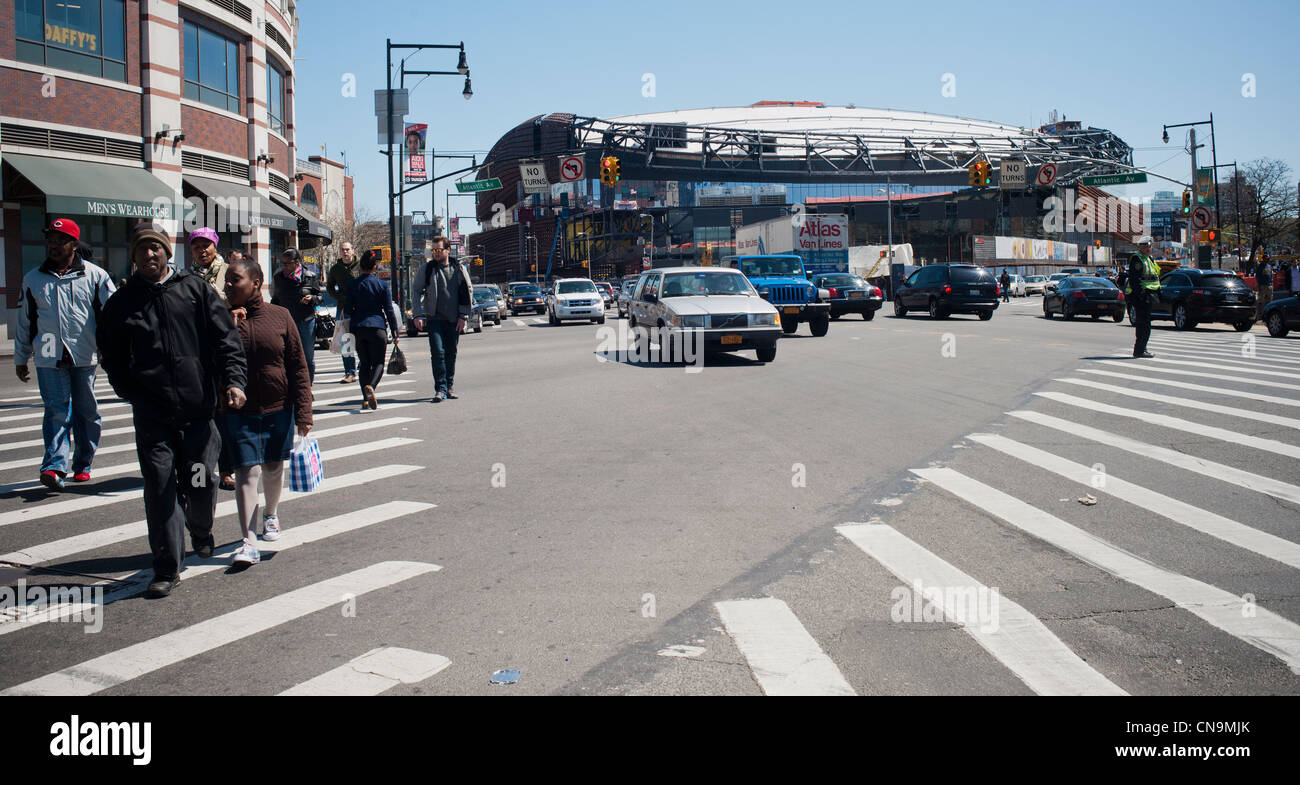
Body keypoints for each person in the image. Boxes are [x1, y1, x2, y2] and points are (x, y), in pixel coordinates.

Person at [97, 223, 247, 598]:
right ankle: (166, 565)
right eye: (142, 250)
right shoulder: (122, 303)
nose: (149, 255)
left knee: (200, 481)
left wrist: (233, 381)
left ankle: (200, 529)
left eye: (156, 249)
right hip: (153, 416)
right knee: (160, 488)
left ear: (167, 253)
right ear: (133, 257)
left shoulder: (193, 290)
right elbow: (112, 357)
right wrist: (131, 391)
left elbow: (226, 340)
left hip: (197, 411)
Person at [219, 258, 312, 565]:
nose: (228, 285)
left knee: (273, 468)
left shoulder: (280, 316)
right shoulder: (221, 318)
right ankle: (248, 540)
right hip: (239, 410)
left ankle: (270, 514)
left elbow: (298, 365)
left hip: (278, 406)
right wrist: (225, 325)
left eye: (235, 280)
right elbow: (210, 361)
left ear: (255, 284)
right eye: (226, 280)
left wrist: (304, 413)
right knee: (247, 470)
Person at [14, 218, 116, 490]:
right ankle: (54, 467)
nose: (54, 245)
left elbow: (111, 317)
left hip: (84, 354)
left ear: (74, 244)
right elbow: (25, 321)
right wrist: (21, 357)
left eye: (60, 240)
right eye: (50, 240)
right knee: (56, 411)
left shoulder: (95, 276)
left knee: (86, 412)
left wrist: (111, 350)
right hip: (48, 355)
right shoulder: (33, 278)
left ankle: (83, 463)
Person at [412, 236, 471, 402]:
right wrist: (418, 314)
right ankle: (440, 388)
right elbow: (416, 290)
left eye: (439, 250)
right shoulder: (427, 268)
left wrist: (463, 316)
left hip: (454, 319)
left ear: (447, 250)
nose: (436, 254)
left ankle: (449, 386)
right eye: (434, 251)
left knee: (451, 353)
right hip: (434, 319)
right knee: (438, 353)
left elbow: (467, 292)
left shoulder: (458, 268)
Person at [345, 250, 401, 410]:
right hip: (377, 327)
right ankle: (371, 387)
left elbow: (348, 308)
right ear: (374, 267)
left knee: (364, 363)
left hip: (358, 327)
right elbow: (389, 310)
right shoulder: (381, 285)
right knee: (378, 363)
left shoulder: (352, 284)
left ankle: (365, 398)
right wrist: (395, 332)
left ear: (360, 266)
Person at [271, 248, 322, 382]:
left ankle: (307, 386)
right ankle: (292, 387)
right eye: (282, 264)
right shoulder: (279, 278)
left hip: (306, 321)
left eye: (288, 264)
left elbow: (320, 297)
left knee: (307, 357)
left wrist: (312, 299)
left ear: (297, 262)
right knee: (288, 356)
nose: (284, 267)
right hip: (286, 322)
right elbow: (275, 299)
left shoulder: (310, 276)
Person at [326, 241, 359, 384]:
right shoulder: (335, 269)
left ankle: (363, 366)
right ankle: (350, 372)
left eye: (347, 249)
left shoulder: (360, 265)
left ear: (353, 250)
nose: (345, 252)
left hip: (360, 307)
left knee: (362, 338)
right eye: (342, 250)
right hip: (343, 308)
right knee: (346, 340)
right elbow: (330, 288)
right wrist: (340, 297)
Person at [1127, 236, 1161, 359]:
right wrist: (1140, 295)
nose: (1148, 249)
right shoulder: (1137, 259)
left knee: (1145, 324)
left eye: (1149, 246)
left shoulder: (1149, 259)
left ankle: (1142, 348)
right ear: (1140, 247)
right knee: (1143, 324)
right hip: (1142, 295)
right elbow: (1134, 280)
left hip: (1149, 294)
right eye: (1145, 247)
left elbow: (1154, 277)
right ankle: (1140, 350)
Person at [188, 227, 227, 303]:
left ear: (215, 247)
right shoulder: (186, 276)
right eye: (196, 247)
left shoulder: (229, 271)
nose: (201, 250)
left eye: (205, 246)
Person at [1255, 254, 1274, 321]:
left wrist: (1271, 283)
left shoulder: (1269, 266)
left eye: (1268, 258)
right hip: (1262, 286)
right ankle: (1259, 315)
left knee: (1269, 301)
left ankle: (1267, 314)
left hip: (1269, 286)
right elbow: (1257, 277)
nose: (1267, 260)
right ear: (1263, 259)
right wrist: (1259, 285)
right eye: (1266, 258)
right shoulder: (1260, 267)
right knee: (1260, 301)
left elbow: (1271, 275)